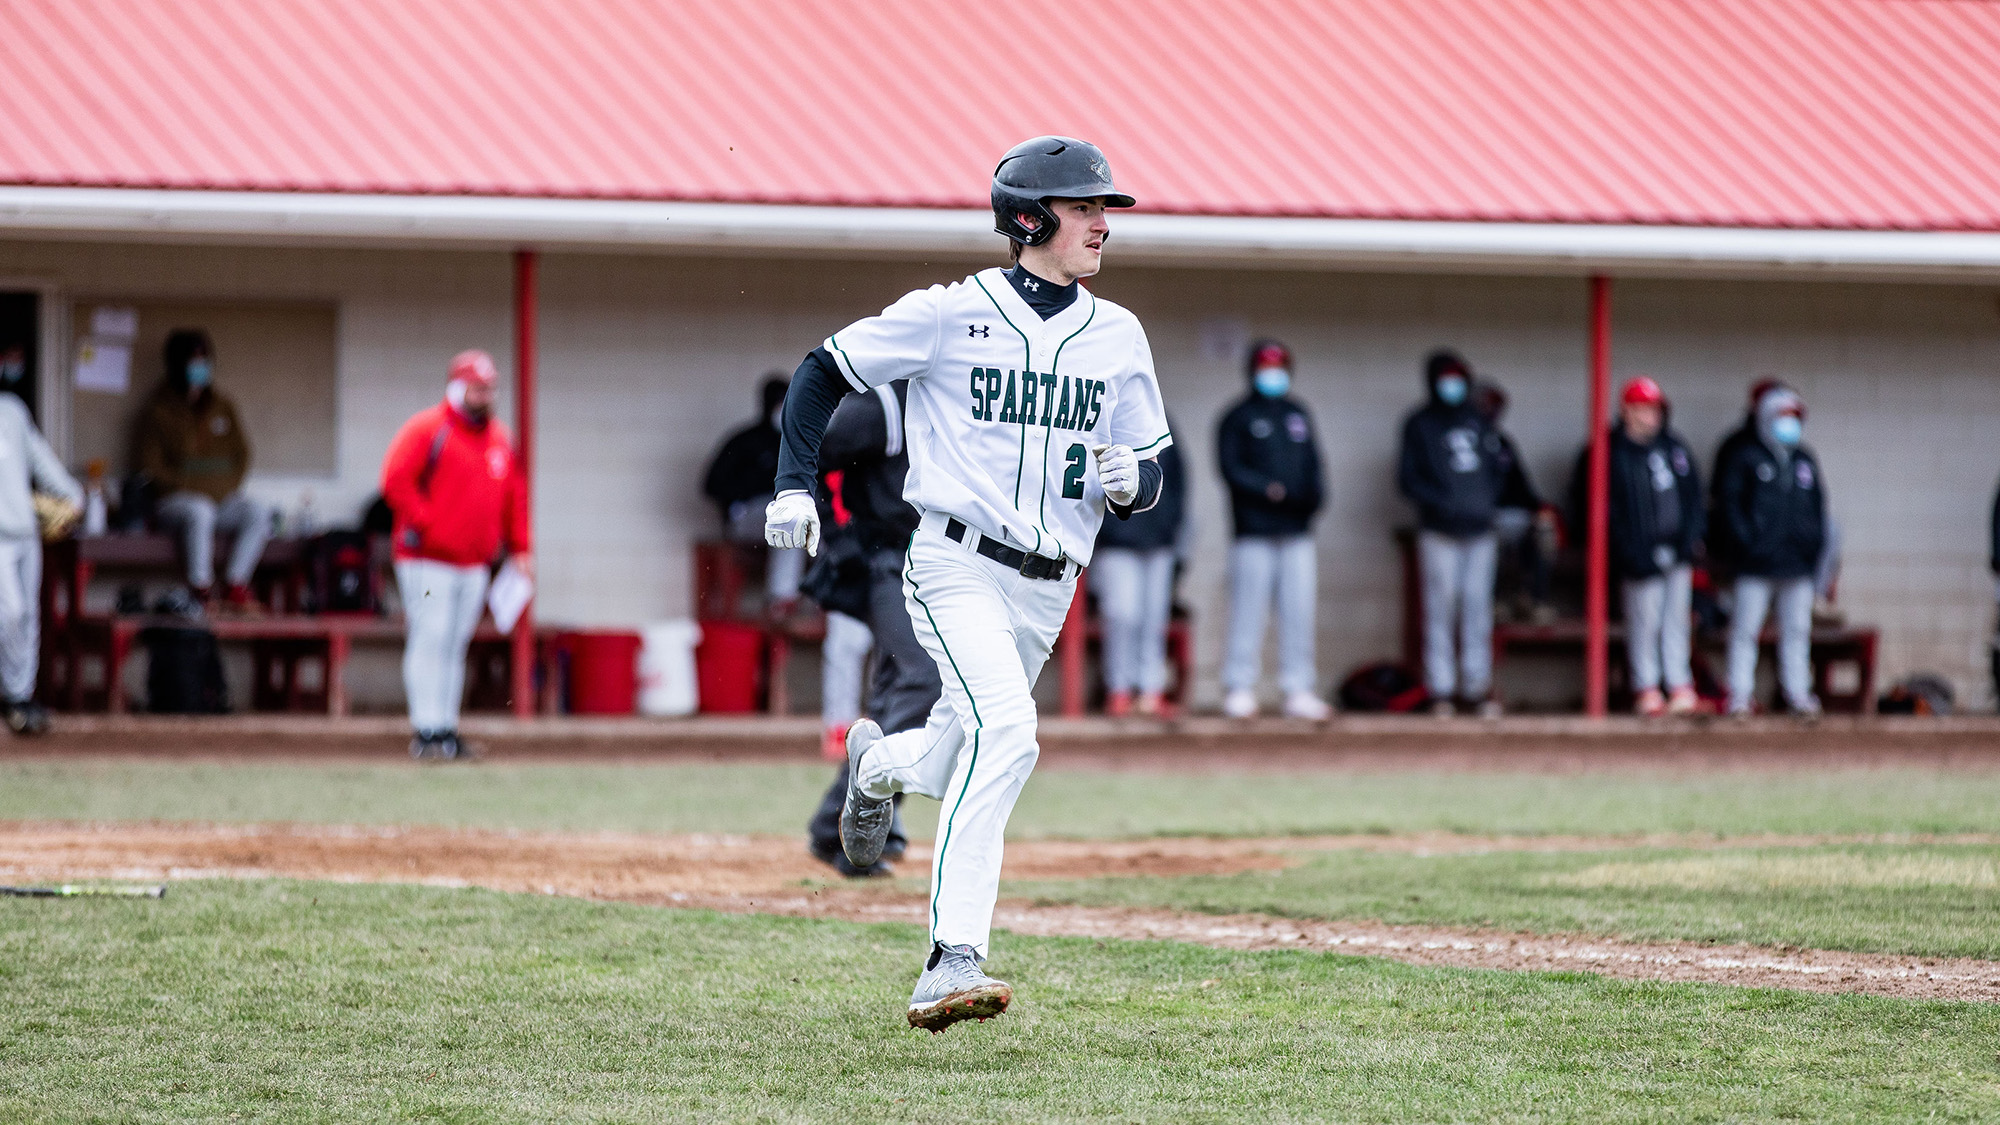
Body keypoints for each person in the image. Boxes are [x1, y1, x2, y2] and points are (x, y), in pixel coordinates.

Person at [764, 135, 1169, 1032]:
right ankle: (953, 957)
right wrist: (794, 483)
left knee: (951, 757)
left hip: (1048, 585)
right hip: (952, 561)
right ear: (1029, 218)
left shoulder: (1119, 334)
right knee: (1011, 732)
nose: (1105, 222)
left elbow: (1153, 467)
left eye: (1106, 208)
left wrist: (1132, 482)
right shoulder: (952, 311)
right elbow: (820, 371)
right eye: (1086, 207)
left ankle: (877, 766)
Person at [803, 381, 938, 877]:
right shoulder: (888, 400)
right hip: (892, 563)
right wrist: (838, 537)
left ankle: (839, 829)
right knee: (921, 684)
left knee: (894, 698)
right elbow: (811, 447)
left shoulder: (967, 392)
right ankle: (860, 821)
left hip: (942, 564)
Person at [379, 350, 530, 760]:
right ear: (459, 386)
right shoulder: (429, 429)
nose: (484, 396)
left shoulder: (500, 438)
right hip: (427, 562)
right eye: (477, 388)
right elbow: (395, 481)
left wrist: (520, 548)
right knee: (431, 635)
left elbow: (514, 498)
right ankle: (424, 729)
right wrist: (430, 522)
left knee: (455, 644)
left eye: (489, 389)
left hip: (474, 563)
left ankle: (445, 728)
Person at [1571, 376, 1704, 717]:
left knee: (1676, 620)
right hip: (1637, 556)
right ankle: (1646, 687)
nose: (1652, 416)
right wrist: (1628, 551)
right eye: (1645, 409)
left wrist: (1687, 543)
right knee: (1644, 622)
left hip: (1676, 552)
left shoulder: (1675, 448)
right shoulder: (1608, 450)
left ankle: (1678, 684)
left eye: (1656, 409)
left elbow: (1693, 500)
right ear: (1627, 410)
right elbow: (1597, 510)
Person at [1215, 341, 1329, 720]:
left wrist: (1311, 499)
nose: (1272, 373)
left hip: (1297, 532)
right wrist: (1269, 491)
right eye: (1265, 366)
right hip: (1253, 533)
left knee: (1299, 612)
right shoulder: (1237, 416)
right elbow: (1231, 471)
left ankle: (1298, 688)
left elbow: (1315, 466)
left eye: (1279, 366)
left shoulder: (1298, 413)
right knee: (1248, 610)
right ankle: (1239, 687)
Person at [1397, 349, 1508, 717]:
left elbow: (1499, 471)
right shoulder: (1419, 423)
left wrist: (1483, 505)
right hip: (1439, 531)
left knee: (1477, 611)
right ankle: (1440, 688)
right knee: (1440, 610)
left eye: (1459, 377)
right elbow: (1407, 479)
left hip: (1480, 532)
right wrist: (1441, 503)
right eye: (1446, 377)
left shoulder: (1478, 421)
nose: (1453, 385)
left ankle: (1476, 689)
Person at [136, 329, 273, 610]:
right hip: (174, 503)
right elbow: (149, 467)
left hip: (221, 500)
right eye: (193, 360)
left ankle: (235, 585)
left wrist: (223, 486)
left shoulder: (222, 406)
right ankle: (201, 589)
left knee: (257, 513)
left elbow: (242, 454)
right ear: (177, 364)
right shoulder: (157, 411)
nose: (200, 367)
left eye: (204, 359)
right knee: (200, 510)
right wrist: (190, 485)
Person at [1715, 385, 1824, 717]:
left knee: (1797, 632)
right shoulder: (1745, 456)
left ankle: (1798, 694)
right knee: (1745, 630)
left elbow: (1818, 510)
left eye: (1794, 417)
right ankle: (1739, 696)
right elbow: (1730, 508)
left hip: (1797, 565)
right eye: (1782, 417)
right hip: (1755, 565)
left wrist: (1810, 548)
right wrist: (1749, 545)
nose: (1788, 424)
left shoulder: (1804, 459)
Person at [0, 390, 80, 734]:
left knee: (29, 614)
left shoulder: (12, 410)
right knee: (10, 612)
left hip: (25, 530)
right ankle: (11, 695)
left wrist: (71, 496)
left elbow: (40, 459)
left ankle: (20, 698)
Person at [1093, 431, 1185, 716]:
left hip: (1158, 544)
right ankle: (1119, 689)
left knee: (1154, 617)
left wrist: (1171, 531)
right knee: (1122, 614)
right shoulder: (1103, 425)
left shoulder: (1162, 427)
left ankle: (1150, 690)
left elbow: (1179, 486)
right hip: (1116, 544)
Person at [703, 376, 803, 609]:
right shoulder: (745, 441)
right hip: (747, 517)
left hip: (788, 513)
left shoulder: (796, 442)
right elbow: (711, 484)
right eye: (780, 404)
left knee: (813, 523)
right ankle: (781, 600)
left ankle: (826, 603)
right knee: (788, 520)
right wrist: (750, 489)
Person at [1475, 380, 1556, 624]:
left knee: (1543, 531)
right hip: (1481, 518)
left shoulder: (1502, 443)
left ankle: (1531, 599)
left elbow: (1523, 487)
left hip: (1514, 517)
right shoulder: (1465, 442)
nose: (1490, 412)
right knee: (1491, 534)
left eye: (1495, 406)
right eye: (1484, 405)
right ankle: (1493, 600)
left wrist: (1540, 509)